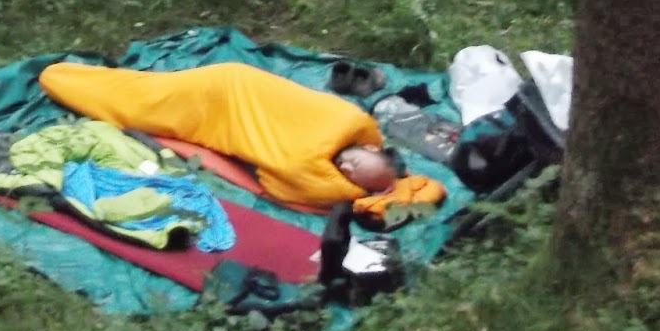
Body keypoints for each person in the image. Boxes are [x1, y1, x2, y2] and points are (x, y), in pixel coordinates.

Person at [38, 60, 437, 210]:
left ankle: (65, 76)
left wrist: (365, 195)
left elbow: (291, 184)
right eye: (359, 162)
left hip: (211, 115)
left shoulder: (317, 174)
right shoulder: (347, 121)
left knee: (134, 102)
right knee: (138, 98)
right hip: (229, 88)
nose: (347, 167)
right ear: (372, 146)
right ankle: (62, 75)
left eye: (351, 176)